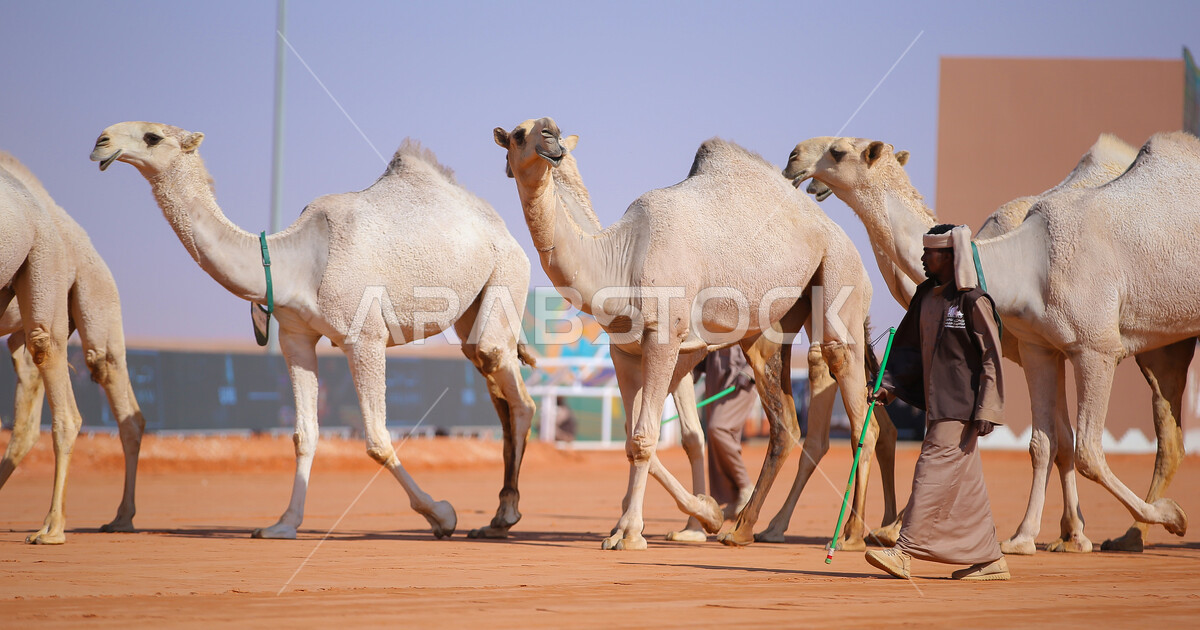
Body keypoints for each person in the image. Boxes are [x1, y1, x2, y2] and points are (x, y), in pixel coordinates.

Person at [863, 223, 1011, 581]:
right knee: (967, 489)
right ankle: (991, 559)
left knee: (929, 473)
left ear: (950, 256)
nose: (923, 258)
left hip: (961, 407)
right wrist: (888, 386)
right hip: (936, 405)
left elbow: (991, 356)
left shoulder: (973, 301)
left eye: (931, 253)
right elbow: (910, 349)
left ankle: (904, 552)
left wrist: (988, 407)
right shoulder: (926, 296)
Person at [694, 346, 757, 520]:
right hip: (714, 375)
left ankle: (746, 487)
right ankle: (735, 500)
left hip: (740, 378)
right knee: (720, 439)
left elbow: (771, 338)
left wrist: (750, 371)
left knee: (718, 427)